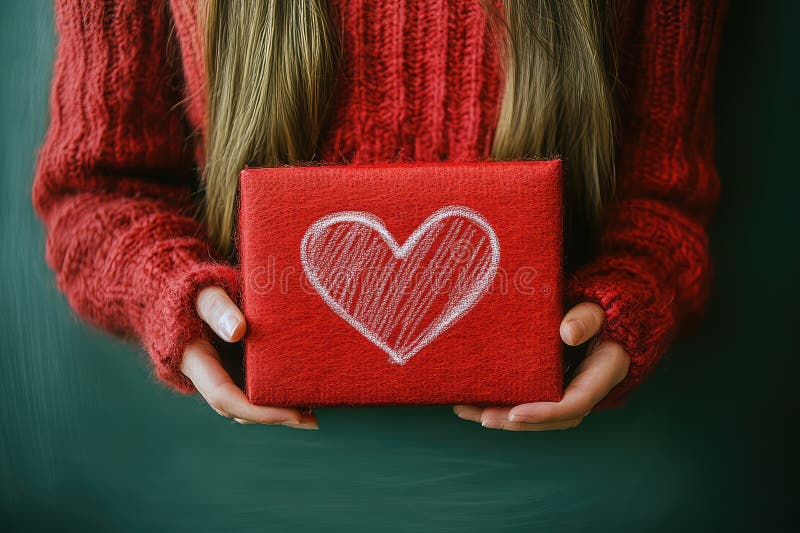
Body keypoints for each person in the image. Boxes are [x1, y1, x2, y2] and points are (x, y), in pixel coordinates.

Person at [32, 0, 726, 431]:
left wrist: (634, 292)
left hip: (581, 481)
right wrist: (170, 292)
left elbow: (663, 199)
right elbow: (97, 190)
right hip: (247, 485)